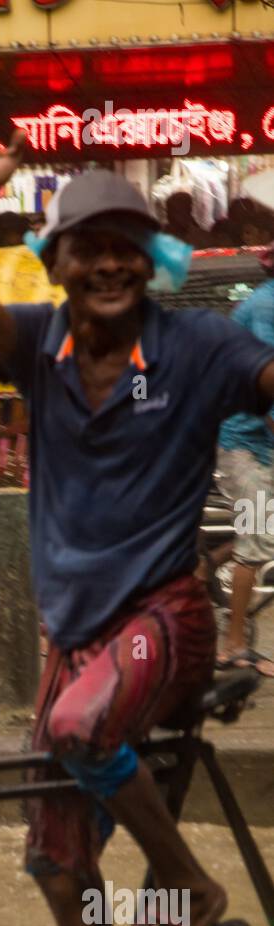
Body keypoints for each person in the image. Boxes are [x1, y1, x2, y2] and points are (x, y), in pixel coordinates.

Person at [0, 77, 274, 926]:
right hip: (71, 640)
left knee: (84, 728)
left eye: (127, 245)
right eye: (86, 248)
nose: (107, 264)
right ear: (58, 265)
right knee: (53, 862)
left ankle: (189, 889)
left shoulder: (192, 350)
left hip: (163, 622)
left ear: (151, 262)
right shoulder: (36, 347)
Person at [215, 242, 274, 677]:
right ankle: (232, 644)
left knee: (258, 533)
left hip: (255, 441)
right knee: (257, 542)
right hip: (247, 444)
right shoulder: (268, 307)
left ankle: (204, 563)